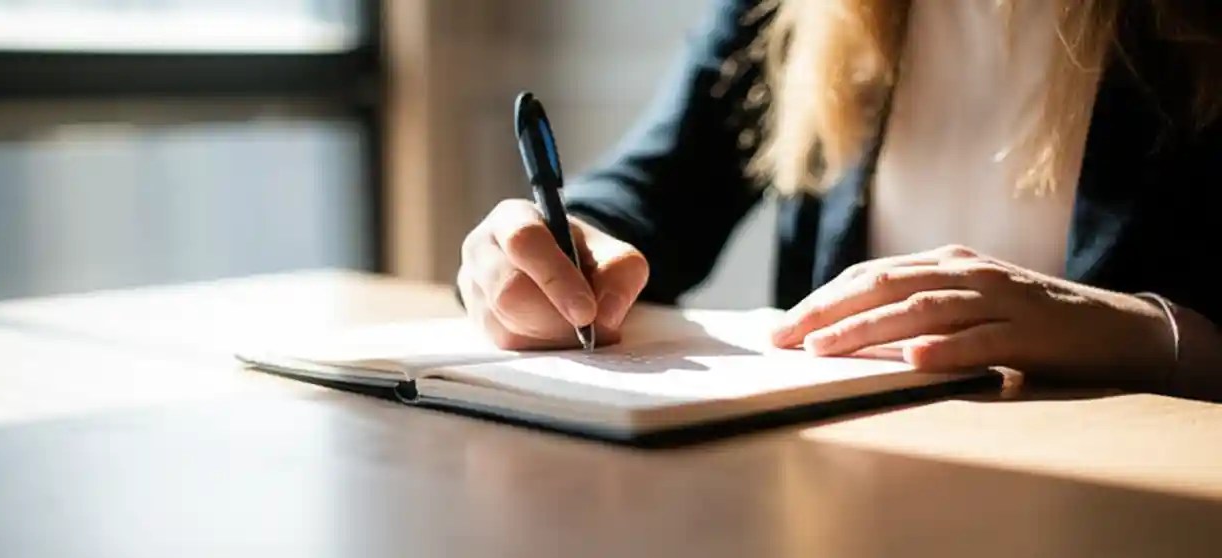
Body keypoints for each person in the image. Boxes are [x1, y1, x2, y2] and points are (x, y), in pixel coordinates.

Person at [456, 0, 1222, 401]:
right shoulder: (799, 8)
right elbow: (655, 186)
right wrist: (564, 244)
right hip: (846, 508)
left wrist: (1147, 337)